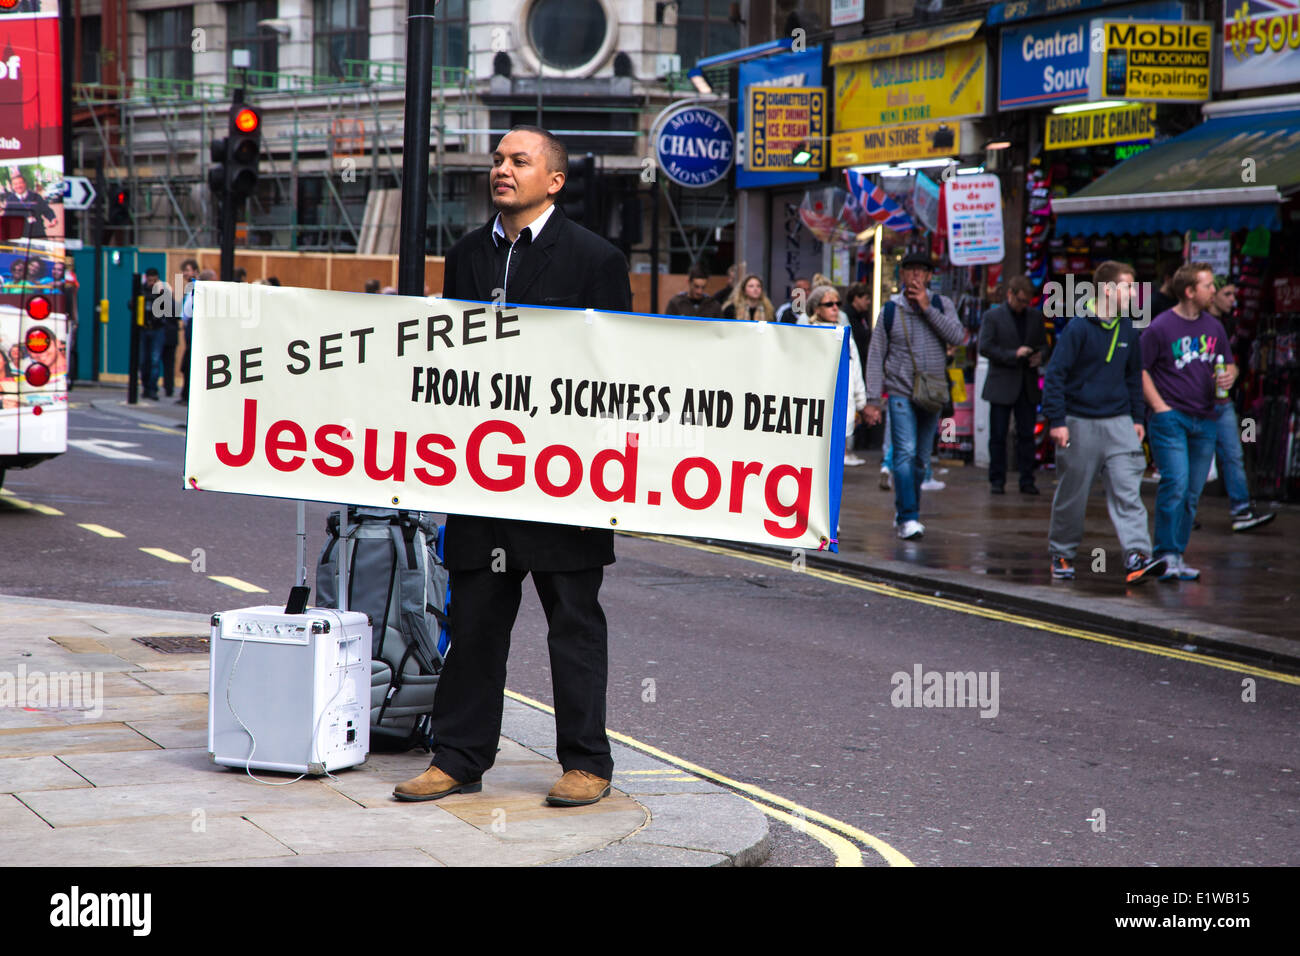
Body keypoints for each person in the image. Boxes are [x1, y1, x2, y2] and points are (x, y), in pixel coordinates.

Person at [394, 125, 631, 809]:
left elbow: (618, 371)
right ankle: (459, 757)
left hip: (564, 478)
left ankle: (587, 762)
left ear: (553, 179)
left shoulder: (596, 258)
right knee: (474, 622)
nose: (501, 168)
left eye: (518, 161)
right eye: (497, 159)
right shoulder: (467, 253)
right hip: (482, 475)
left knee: (575, 624)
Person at [1042, 261, 1165, 583]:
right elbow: (1055, 375)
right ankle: (1062, 554)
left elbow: (1133, 377)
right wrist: (1057, 420)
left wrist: (1137, 418)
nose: (1132, 294)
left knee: (1129, 492)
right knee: (1073, 493)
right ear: (1108, 290)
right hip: (1078, 422)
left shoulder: (1128, 328)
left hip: (1120, 423)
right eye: (1127, 287)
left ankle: (1137, 556)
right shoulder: (1078, 328)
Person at [1141, 261, 1234, 582]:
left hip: (1206, 417)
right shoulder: (1160, 327)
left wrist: (1228, 379)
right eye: (1208, 285)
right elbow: (1140, 369)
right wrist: (1159, 407)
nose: (1213, 291)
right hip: (1172, 418)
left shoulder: (1216, 327)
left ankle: (1177, 555)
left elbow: (1229, 365)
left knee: (1193, 493)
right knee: (1175, 483)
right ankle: (1164, 554)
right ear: (1189, 291)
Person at [862, 252, 964, 539]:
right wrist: (872, 400)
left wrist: (927, 308)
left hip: (931, 394)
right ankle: (909, 517)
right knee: (904, 454)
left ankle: (906, 511)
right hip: (900, 391)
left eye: (922, 271)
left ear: (930, 276)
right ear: (902, 275)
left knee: (921, 458)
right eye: (911, 271)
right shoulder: (890, 311)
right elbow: (876, 355)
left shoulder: (942, 305)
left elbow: (957, 337)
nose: (916, 276)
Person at [1206, 279, 1274, 532]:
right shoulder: (1201, 324)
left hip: (1230, 399)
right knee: (1196, 462)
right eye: (1228, 294)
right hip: (1198, 403)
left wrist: (1234, 376)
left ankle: (1242, 509)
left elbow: (1233, 363)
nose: (1234, 300)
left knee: (1235, 452)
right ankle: (1182, 514)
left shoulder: (1233, 325)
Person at [979, 274, 1049, 495]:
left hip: (1026, 384)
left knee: (1026, 435)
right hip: (1002, 383)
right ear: (1010, 295)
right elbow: (985, 347)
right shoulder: (993, 316)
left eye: (1027, 301)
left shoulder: (1035, 317)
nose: (1023, 305)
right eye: (1020, 300)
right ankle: (997, 480)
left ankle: (1027, 479)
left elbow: (1045, 345)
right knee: (998, 435)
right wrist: (1013, 354)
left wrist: (1040, 357)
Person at [808, 285, 868, 466]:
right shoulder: (808, 333)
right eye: (829, 304)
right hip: (814, 403)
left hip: (841, 401)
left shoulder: (845, 335)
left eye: (837, 303)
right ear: (817, 308)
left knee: (833, 459)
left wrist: (861, 401)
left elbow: (855, 368)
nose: (835, 308)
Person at [138, 268, 169, 401]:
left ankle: (152, 389)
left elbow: (169, 308)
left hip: (157, 329)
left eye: (154, 281)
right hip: (144, 329)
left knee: (155, 360)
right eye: (149, 280)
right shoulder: (141, 290)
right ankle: (145, 387)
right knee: (143, 361)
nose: (151, 283)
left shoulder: (162, 291)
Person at [177, 260, 204, 405]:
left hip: (194, 327)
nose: (185, 274)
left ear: (195, 271)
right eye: (184, 271)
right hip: (189, 327)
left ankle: (187, 395)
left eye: (187, 270)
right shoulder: (190, 287)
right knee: (187, 362)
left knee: (190, 362)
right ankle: (185, 393)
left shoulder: (197, 286)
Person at [1, 172, 58, 239]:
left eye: (20, 183)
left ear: (25, 184)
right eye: (15, 184)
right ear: (12, 186)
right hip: (20, 236)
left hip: (38, 233)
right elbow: (6, 217)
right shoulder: (10, 200)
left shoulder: (36, 197)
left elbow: (47, 210)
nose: (18, 186)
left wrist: (52, 219)